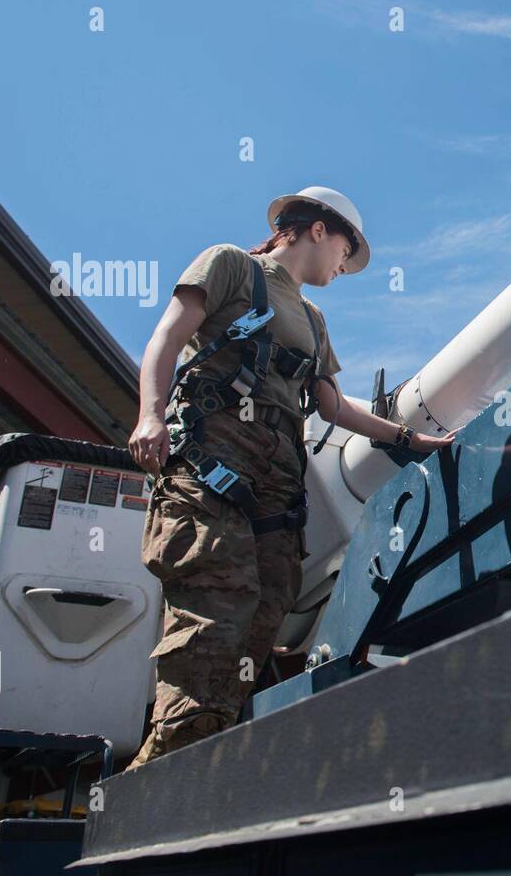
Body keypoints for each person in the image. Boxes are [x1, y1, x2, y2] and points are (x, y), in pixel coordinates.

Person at [126, 186, 453, 766]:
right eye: (346, 252)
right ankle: (166, 766)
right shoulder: (230, 266)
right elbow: (167, 338)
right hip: (214, 457)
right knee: (216, 609)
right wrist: (150, 415)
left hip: (278, 480)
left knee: (267, 609)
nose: (344, 267)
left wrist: (408, 439)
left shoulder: (314, 319)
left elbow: (334, 409)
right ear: (318, 230)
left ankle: (204, 752)